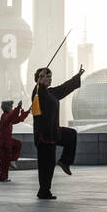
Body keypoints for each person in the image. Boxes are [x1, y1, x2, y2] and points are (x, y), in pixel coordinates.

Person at [31, 65, 84, 199]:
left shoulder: (52, 93)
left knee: (71, 135)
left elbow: (65, 87)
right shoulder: (38, 93)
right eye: (46, 77)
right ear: (39, 79)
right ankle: (44, 191)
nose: (49, 79)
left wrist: (77, 77)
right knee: (46, 164)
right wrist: (40, 79)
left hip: (54, 132)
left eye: (50, 77)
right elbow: (37, 89)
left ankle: (65, 161)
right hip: (44, 135)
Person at [0, 98, 28, 182]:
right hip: (3, 142)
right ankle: (3, 176)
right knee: (4, 161)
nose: (11, 108)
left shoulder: (7, 117)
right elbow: (11, 117)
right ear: (6, 108)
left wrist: (25, 113)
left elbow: (17, 120)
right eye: (11, 107)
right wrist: (17, 108)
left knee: (18, 144)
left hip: (7, 140)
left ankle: (12, 160)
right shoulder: (5, 116)